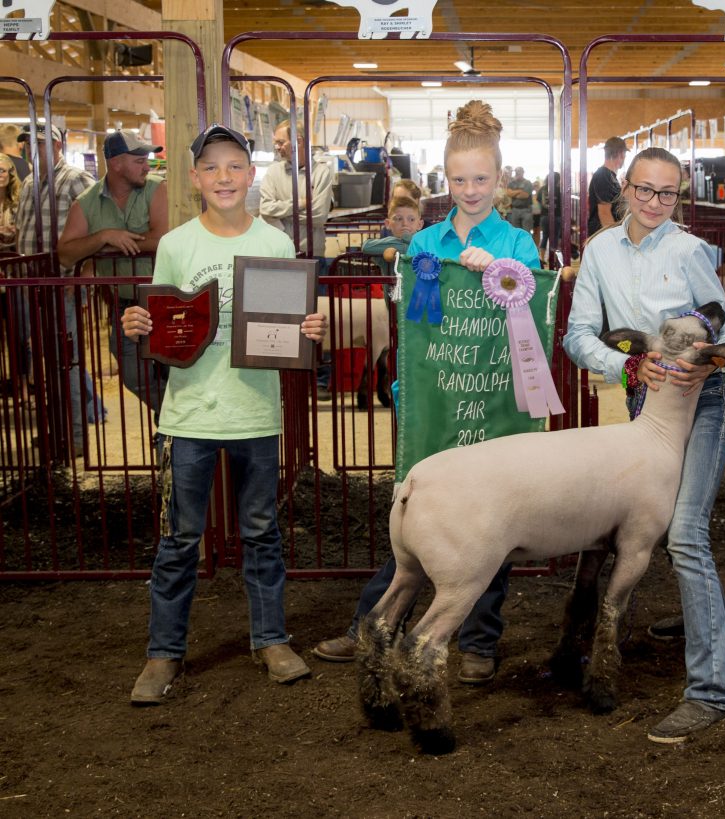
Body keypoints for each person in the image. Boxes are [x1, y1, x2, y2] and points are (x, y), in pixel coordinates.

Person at [313, 100, 540, 685]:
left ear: (500, 179)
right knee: (415, 516)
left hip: (491, 401)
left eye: (482, 179)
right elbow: (410, 324)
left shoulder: (520, 247)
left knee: (491, 526)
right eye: (460, 179)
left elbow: (531, 319)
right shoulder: (422, 246)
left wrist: (500, 276)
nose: (471, 189)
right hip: (433, 401)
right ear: (447, 179)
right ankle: (374, 626)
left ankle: (479, 641)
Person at [122, 124, 327, 705]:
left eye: (235, 166)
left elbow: (288, 329)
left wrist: (308, 330)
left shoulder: (276, 245)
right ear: (194, 179)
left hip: (255, 413)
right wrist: (138, 325)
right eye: (211, 168)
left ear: (251, 174)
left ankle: (271, 639)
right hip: (187, 413)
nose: (224, 177)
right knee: (179, 538)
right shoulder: (177, 245)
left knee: (262, 534)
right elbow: (161, 325)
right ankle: (163, 653)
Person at [563, 146, 725, 743]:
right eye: (645, 190)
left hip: (703, 404)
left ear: (678, 197)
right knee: (654, 529)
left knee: (686, 533)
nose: (655, 203)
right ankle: (720, 618)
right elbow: (579, 335)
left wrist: (712, 364)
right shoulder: (599, 251)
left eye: (668, 194)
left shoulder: (689, 249)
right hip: (644, 408)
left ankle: (712, 692)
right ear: (624, 189)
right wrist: (627, 367)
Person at [57, 130, 168, 417]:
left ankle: (174, 431)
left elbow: (165, 236)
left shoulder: (158, 189)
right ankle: (175, 420)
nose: (147, 166)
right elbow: (66, 253)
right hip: (122, 305)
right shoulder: (86, 202)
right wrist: (105, 236)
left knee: (175, 371)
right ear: (116, 163)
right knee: (134, 376)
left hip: (165, 300)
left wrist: (115, 245)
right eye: (139, 160)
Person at [15, 123, 97, 457]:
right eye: (26, 144)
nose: (30, 149)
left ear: (58, 145)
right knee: (45, 362)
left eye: (38, 143)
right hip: (32, 286)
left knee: (67, 361)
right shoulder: (29, 182)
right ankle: (58, 431)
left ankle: (76, 437)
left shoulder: (75, 178)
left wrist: (86, 272)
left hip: (62, 284)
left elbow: (101, 218)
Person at [260, 120, 335, 398]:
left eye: (281, 142)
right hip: (282, 258)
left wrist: (284, 211)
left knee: (319, 320)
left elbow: (318, 215)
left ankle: (322, 379)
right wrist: (300, 203)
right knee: (283, 319)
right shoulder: (272, 173)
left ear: (299, 142)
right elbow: (264, 209)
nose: (277, 147)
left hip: (312, 256)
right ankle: (286, 380)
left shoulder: (322, 172)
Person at [361, 193, 423, 274]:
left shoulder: (425, 242)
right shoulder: (385, 244)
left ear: (420, 224)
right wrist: (403, 243)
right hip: (392, 286)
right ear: (388, 224)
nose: (405, 223)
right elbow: (366, 247)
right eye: (398, 219)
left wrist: (398, 248)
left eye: (411, 219)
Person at [586, 136, 627, 238]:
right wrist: (615, 239)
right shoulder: (603, 175)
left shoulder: (609, 176)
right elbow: (604, 213)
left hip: (604, 234)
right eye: (624, 155)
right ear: (621, 154)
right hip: (602, 235)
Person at [538, 170, 561, 255]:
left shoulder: (542, 189)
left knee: (544, 236)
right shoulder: (559, 190)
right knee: (555, 237)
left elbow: (538, 200)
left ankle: (542, 257)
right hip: (557, 216)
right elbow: (562, 203)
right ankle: (553, 258)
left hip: (544, 216)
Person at [0, 154, 20, 252]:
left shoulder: (19, 200)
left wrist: (16, 230)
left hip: (14, 259)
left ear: (11, 173)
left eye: (1, 170)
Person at [506, 165, 533, 232]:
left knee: (526, 232)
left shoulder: (528, 183)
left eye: (519, 172)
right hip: (515, 210)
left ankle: (526, 243)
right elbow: (509, 194)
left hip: (526, 210)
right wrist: (520, 191)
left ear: (523, 172)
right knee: (515, 232)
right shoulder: (511, 183)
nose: (517, 173)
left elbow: (525, 195)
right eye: (516, 172)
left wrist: (514, 193)